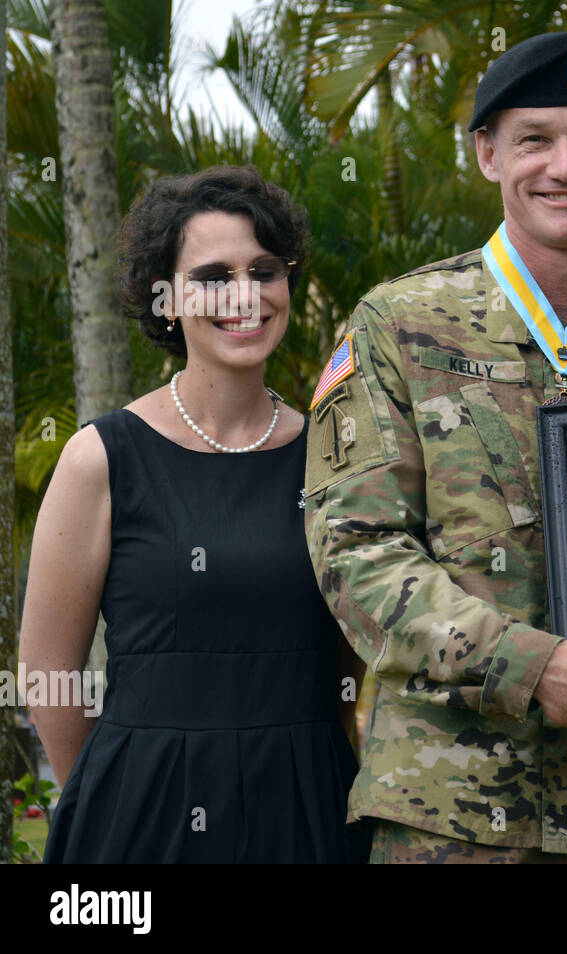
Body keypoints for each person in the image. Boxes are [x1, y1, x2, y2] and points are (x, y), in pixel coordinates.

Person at [304, 31, 567, 863]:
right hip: (452, 814)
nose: (565, 166)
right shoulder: (400, 327)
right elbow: (354, 555)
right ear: (488, 155)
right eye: (535, 139)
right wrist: (532, 668)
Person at [21, 166, 367, 863]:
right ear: (167, 299)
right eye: (213, 276)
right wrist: (111, 789)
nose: (245, 295)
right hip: (143, 817)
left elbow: (348, 670)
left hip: (307, 807)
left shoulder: (336, 459)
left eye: (264, 271)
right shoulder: (101, 458)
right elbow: (47, 669)